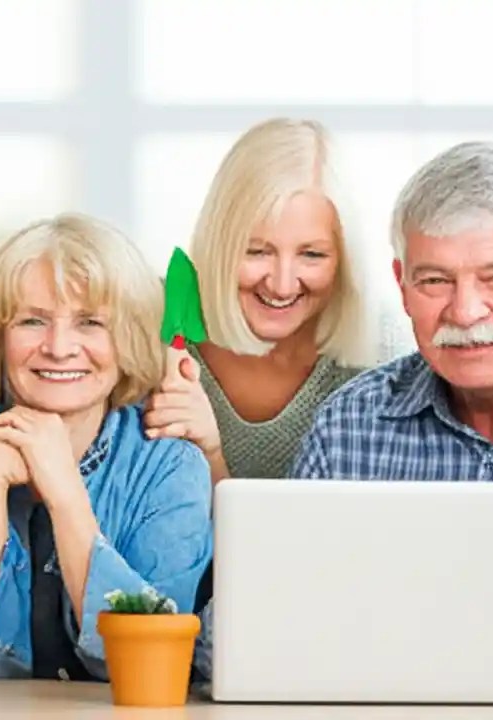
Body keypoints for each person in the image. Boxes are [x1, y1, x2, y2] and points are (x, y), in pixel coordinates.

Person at [194, 140, 493, 692]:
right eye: (435, 280)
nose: (466, 311)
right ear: (402, 284)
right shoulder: (350, 423)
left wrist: (400, 654)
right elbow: (252, 621)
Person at [0, 213, 213, 680]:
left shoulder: (170, 465)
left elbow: (152, 664)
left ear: (129, 339)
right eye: (32, 321)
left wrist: (64, 490)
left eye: (90, 323)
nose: (59, 347)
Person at [142, 118, 375, 614]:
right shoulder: (146, 327)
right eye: (257, 251)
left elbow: (296, 571)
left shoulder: (384, 355)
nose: (283, 282)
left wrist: (209, 452)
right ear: (221, 242)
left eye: (312, 254)